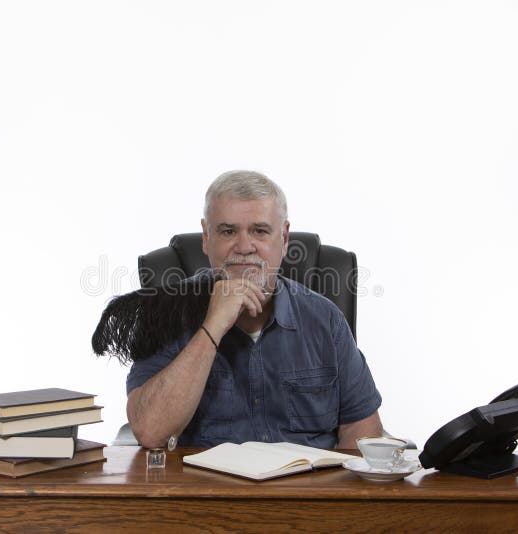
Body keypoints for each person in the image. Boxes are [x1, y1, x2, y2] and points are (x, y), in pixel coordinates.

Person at [125, 170, 383, 449]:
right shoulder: (166, 313)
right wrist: (212, 328)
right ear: (205, 237)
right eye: (228, 231)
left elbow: (362, 431)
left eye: (259, 231)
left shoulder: (326, 319)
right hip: (207, 490)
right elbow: (151, 431)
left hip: (303, 488)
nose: (245, 247)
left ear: (284, 239)